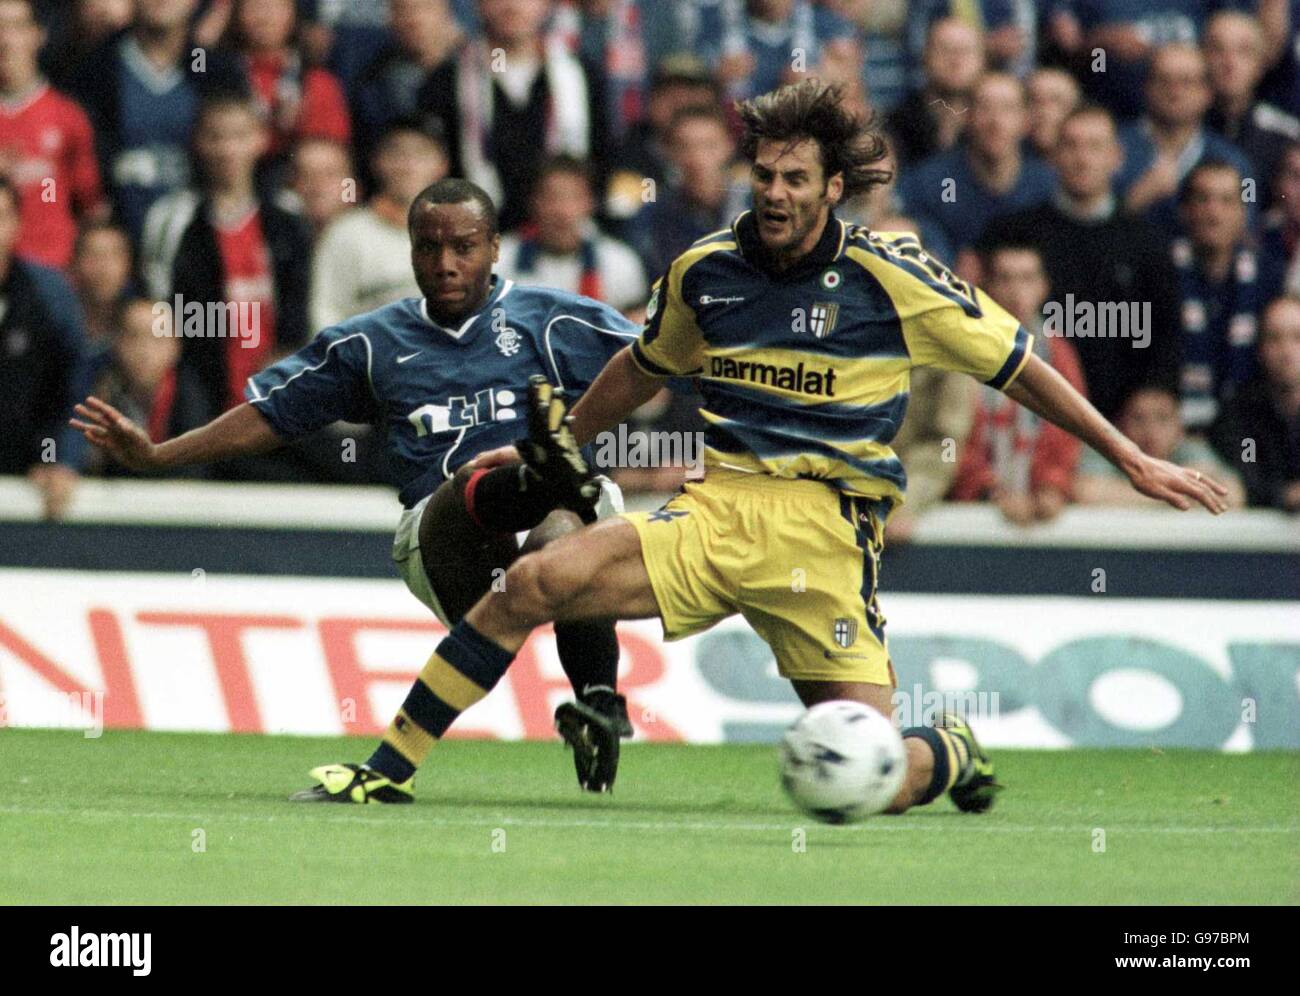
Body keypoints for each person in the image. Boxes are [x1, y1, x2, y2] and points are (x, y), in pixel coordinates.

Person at [290, 80, 1230, 811]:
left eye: (796, 179)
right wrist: (564, 443)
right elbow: (643, 368)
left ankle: (942, 752)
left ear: (833, 186)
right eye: (765, 176)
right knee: (530, 585)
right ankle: (386, 769)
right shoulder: (707, 272)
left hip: (824, 541)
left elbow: (1019, 365)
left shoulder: (893, 274)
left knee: (867, 782)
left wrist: (1131, 457)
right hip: (717, 510)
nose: (775, 193)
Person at [71, 177, 639, 797]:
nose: (445, 264)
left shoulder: (552, 321)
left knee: (562, 531)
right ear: (410, 250)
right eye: (428, 248)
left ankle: (597, 705)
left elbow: (660, 361)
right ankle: (542, 472)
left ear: (496, 247)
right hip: (446, 536)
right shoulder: (373, 343)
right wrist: (159, 455)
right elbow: (270, 416)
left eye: (465, 247)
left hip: (557, 534)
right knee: (492, 489)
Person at [976, 104, 1182, 419]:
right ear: (1054, 155)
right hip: (1034, 416)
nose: (1082, 159)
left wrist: (1153, 396)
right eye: (1071, 146)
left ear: (1117, 158)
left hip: (1127, 422)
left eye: (1095, 147)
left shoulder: (1148, 242)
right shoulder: (1014, 234)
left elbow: (1168, 334)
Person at [949, 242, 1086, 525]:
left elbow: (1071, 428)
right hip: (968, 505)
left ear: (1043, 286)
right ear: (986, 287)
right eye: (1005, 278)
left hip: (1037, 502)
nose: (1016, 291)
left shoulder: (1058, 352)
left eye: (1026, 278)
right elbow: (948, 435)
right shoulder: (957, 348)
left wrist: (1051, 485)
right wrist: (988, 489)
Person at [0, 177, 91, 519]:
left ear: (16, 225)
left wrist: (59, 459)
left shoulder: (49, 295)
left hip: (30, 480)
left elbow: (71, 391)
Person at [0, 0, 104, 270]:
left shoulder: (67, 116)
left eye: (15, 26)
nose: (5, 38)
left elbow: (90, 206)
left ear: (38, 34)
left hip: (53, 270)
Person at [496, 154, 647, 314]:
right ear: (533, 202)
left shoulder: (620, 263)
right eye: (552, 197)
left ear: (590, 203)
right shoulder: (501, 260)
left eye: (573, 198)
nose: (562, 211)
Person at [1077, 385, 1245, 509]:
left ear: (1179, 428)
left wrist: (1131, 495)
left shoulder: (1190, 449)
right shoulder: (1104, 448)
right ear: (1119, 425)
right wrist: (1173, 496)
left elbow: (1233, 495)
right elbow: (1086, 493)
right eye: (1138, 419)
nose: (1150, 431)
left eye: (1162, 418)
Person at [1209, 295, 1300, 511]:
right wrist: (1287, 496)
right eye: (1274, 338)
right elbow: (1247, 475)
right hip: (1254, 536)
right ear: (1260, 349)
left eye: (1298, 338)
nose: (1286, 351)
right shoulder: (1240, 416)